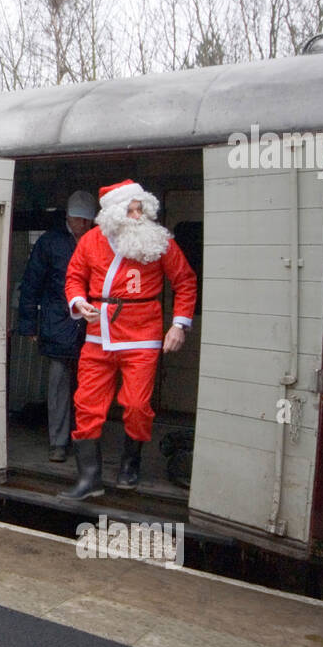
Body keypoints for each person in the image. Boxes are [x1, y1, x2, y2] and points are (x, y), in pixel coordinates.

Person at [62, 179, 197, 499]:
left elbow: (185, 281)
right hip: (99, 334)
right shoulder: (92, 240)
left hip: (142, 335)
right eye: (131, 209)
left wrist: (179, 325)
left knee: (136, 406)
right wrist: (78, 302)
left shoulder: (159, 240)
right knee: (86, 405)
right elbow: (74, 278)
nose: (138, 215)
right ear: (114, 213)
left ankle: (129, 464)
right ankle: (89, 478)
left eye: (141, 208)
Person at [16, 191, 97, 462]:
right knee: (59, 382)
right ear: (68, 217)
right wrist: (28, 325)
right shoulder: (49, 243)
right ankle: (59, 442)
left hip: (92, 325)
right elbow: (31, 284)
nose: (82, 226)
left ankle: (84, 439)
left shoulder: (99, 241)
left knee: (90, 385)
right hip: (57, 322)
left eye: (87, 221)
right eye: (77, 220)